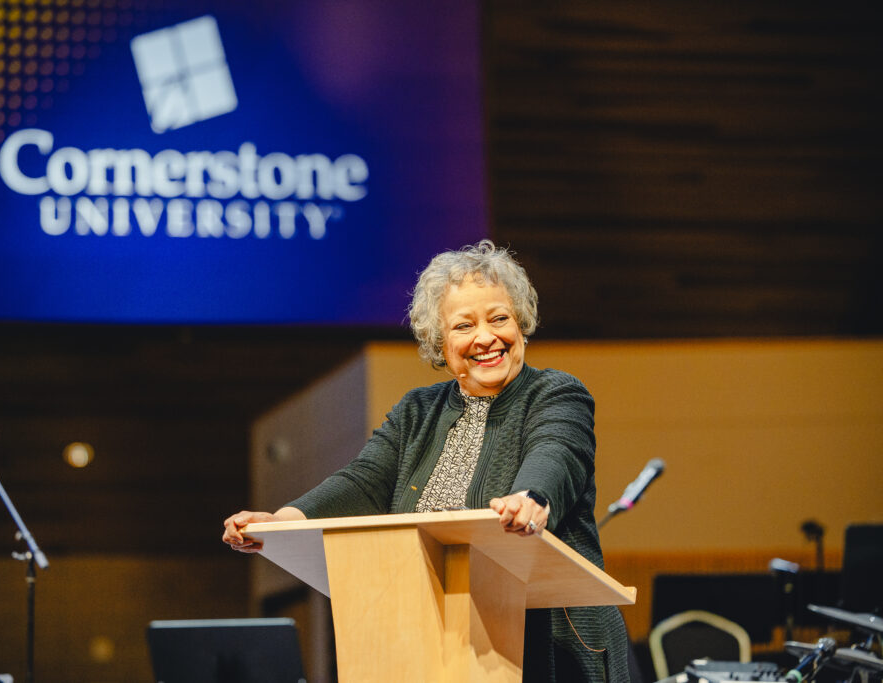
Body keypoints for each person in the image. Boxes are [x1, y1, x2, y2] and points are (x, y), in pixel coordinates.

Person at [222, 240, 630, 682]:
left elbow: (557, 451)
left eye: (499, 318)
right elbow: (363, 482)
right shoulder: (416, 411)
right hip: (432, 648)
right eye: (463, 325)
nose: (486, 338)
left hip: (553, 651)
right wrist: (282, 522)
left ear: (521, 323)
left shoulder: (555, 393)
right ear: (440, 340)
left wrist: (531, 498)